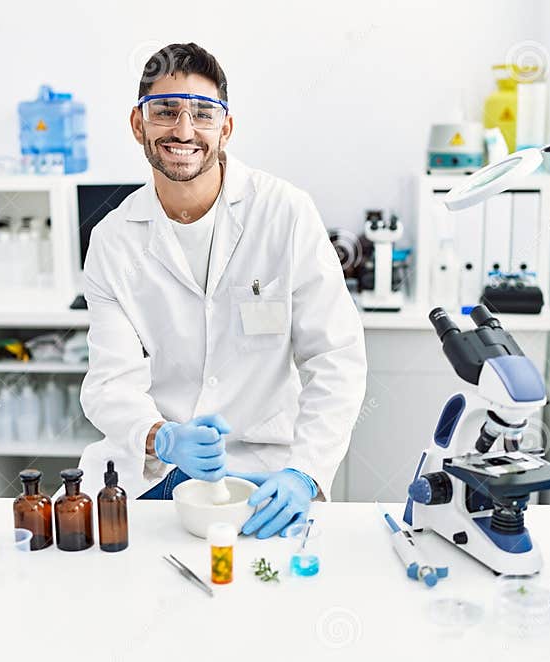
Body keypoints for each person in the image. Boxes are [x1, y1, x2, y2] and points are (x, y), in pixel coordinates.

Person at [77, 42, 366, 538]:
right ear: (138, 124)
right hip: (156, 472)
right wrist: (160, 437)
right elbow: (110, 382)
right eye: (165, 111)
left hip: (267, 471)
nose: (184, 130)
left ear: (225, 127)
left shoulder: (285, 213)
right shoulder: (112, 240)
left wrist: (305, 472)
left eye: (203, 114)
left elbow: (335, 356)